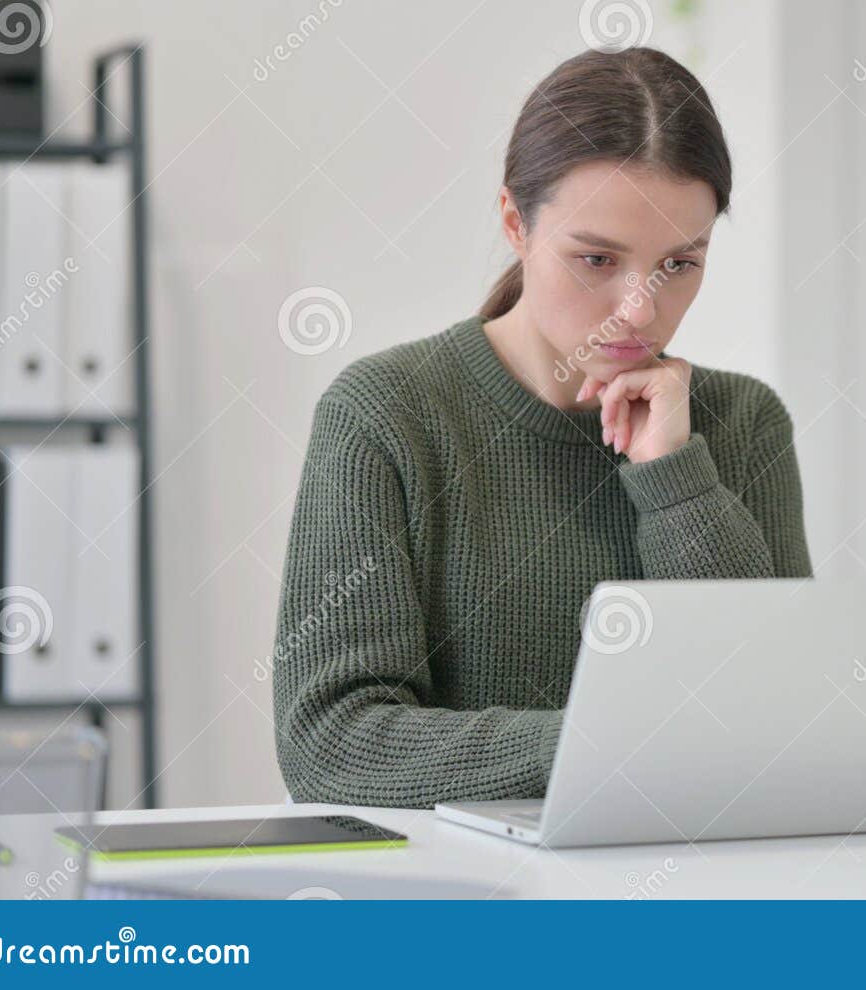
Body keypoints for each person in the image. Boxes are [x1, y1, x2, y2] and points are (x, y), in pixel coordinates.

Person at [271, 47, 811, 808]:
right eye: (596, 258)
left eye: (680, 264)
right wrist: (614, 748)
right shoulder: (386, 415)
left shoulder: (742, 424)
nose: (639, 310)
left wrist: (676, 478)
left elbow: (784, 717)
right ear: (515, 223)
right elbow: (332, 743)